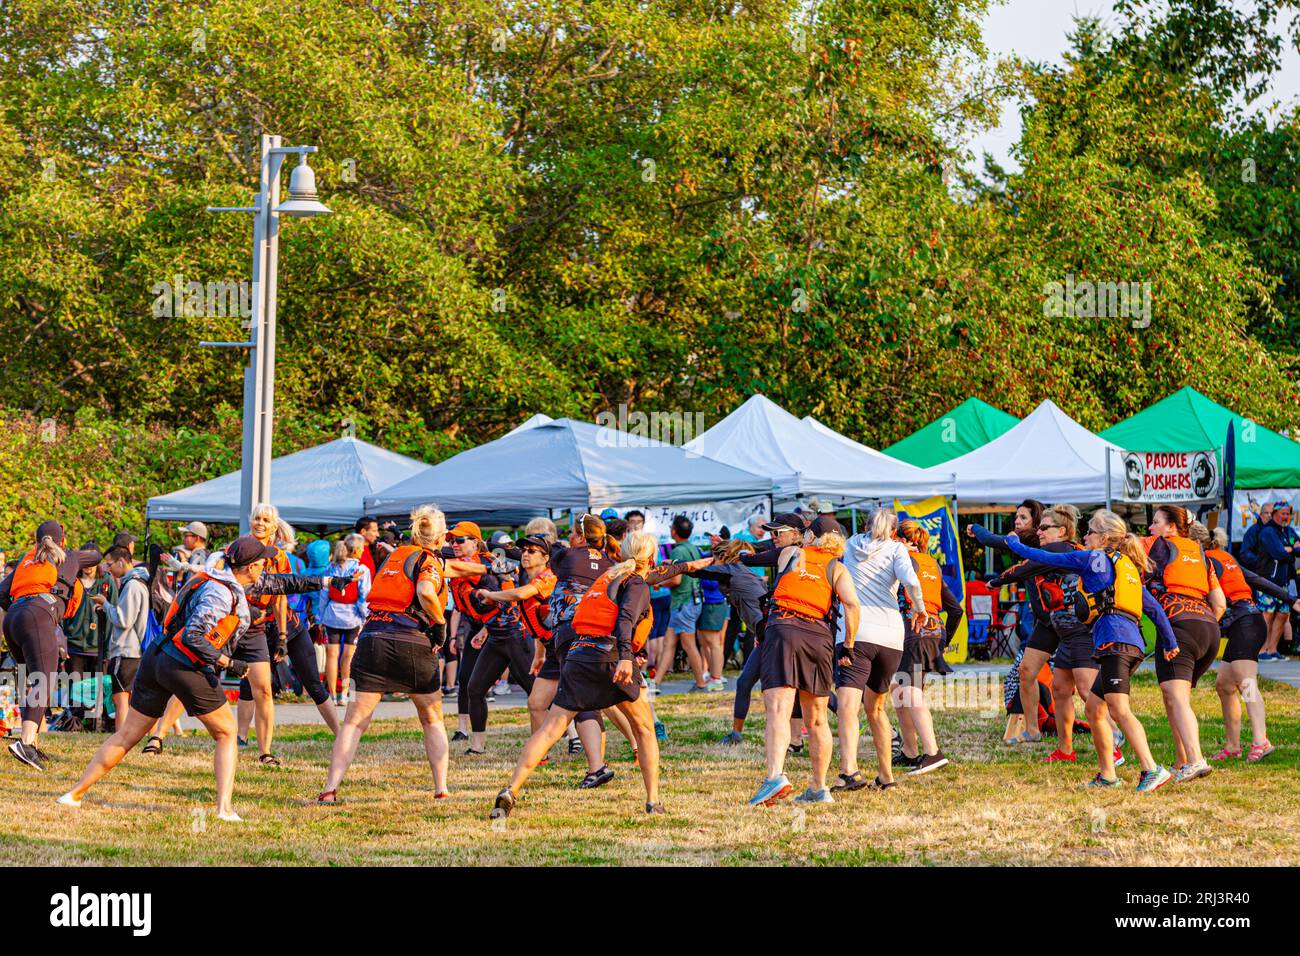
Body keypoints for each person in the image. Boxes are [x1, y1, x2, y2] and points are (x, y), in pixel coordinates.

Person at [57, 535, 276, 820]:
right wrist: (228, 662)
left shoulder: (212, 576)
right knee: (226, 733)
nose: (264, 567)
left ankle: (73, 794)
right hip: (184, 664)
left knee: (127, 735)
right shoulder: (222, 593)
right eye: (262, 563)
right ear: (250, 567)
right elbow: (194, 636)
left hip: (157, 655)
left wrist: (324, 583)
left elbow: (281, 584)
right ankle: (224, 809)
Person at [972, 511, 1177, 792]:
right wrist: (1170, 642)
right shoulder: (1125, 566)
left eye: (1090, 532)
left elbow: (1047, 559)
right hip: (1122, 642)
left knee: (1119, 709)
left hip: (1116, 642)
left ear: (1104, 537)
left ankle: (1152, 769)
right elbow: (1153, 608)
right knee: (1094, 708)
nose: (1085, 537)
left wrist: (1015, 545)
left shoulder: (1091, 558)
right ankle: (1107, 775)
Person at [316, 505, 494, 803]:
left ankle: (330, 789)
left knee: (354, 722)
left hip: (372, 638)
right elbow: (426, 589)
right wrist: (440, 625)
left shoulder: (397, 556)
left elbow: (453, 568)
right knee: (432, 718)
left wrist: (487, 567)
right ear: (440, 538)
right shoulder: (429, 561)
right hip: (411, 641)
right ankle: (441, 789)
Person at [491, 531, 665, 819]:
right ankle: (653, 801)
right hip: (610, 656)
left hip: (577, 654)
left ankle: (511, 789)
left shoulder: (605, 578)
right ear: (650, 557)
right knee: (645, 729)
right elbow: (624, 621)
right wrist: (626, 656)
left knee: (550, 728)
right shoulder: (634, 582)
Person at [977, 505, 1121, 765]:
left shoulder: (1062, 549)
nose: (1039, 532)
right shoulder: (1049, 548)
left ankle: (1114, 736)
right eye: (1038, 527)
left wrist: (996, 581)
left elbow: (1023, 568)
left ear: (1062, 531)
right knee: (1033, 675)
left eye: (1044, 528)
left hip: (1077, 627)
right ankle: (1038, 734)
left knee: (1087, 689)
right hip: (1051, 623)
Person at [747, 518, 860, 806]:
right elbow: (851, 604)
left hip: (784, 627)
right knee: (818, 717)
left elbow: (765, 555)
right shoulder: (838, 567)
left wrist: (742, 553)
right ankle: (819, 788)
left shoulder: (792, 553)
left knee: (778, 709)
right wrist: (848, 644)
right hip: (819, 636)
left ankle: (775, 777)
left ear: (810, 535)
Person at [831, 509, 928, 791]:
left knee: (848, 707)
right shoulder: (897, 549)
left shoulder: (849, 546)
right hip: (890, 636)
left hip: (856, 633)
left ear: (865, 525)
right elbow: (911, 581)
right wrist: (920, 610)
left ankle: (849, 771)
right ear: (895, 531)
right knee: (876, 708)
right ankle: (886, 776)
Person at [0, 521, 101, 769]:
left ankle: (31, 743)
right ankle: (25, 743)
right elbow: (96, 555)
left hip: (13, 617)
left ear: (36, 541)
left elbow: (1, 592)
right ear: (62, 541)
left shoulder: (27, 559)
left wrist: (20, 608)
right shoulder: (68, 557)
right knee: (43, 680)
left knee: (33, 679)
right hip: (39, 613)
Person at [1144, 505, 1225, 782]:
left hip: (1179, 625)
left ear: (1171, 528)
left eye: (1155, 523)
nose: (1151, 528)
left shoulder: (1159, 546)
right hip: (1208, 628)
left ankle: (1195, 759)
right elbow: (1220, 603)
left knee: (1176, 698)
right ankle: (1182, 761)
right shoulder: (1201, 555)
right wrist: (1202, 620)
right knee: (1175, 698)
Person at [1203, 524, 1298, 761]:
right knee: (1224, 684)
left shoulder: (1206, 561)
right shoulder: (1225, 558)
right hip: (1244, 622)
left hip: (1245, 622)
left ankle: (1261, 741)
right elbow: (1257, 580)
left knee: (1246, 682)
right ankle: (1233, 746)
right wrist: (1290, 598)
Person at [893, 520, 962, 774]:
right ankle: (910, 751)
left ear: (900, 540)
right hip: (934, 629)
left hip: (915, 629)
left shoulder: (901, 561)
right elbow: (956, 609)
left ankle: (933, 753)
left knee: (910, 692)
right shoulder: (931, 565)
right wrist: (944, 641)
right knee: (899, 690)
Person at [92, 547, 150, 730]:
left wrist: (105, 603)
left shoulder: (132, 585)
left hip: (126, 650)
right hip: (135, 650)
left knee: (120, 698)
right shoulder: (138, 582)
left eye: (110, 564)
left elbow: (123, 619)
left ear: (121, 561)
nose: (108, 569)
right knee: (130, 698)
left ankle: (120, 737)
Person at [656, 515, 711, 691]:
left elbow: (676, 580)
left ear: (674, 531)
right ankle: (656, 682)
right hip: (691, 601)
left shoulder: (677, 551)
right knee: (668, 643)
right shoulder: (693, 548)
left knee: (688, 645)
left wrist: (658, 583)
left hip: (683, 603)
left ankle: (701, 683)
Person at [320, 533, 371, 706]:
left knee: (331, 656)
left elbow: (324, 594)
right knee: (348, 657)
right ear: (356, 550)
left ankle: (332, 695)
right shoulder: (362, 569)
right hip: (352, 617)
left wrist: (321, 616)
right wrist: (365, 616)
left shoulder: (331, 567)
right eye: (362, 548)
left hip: (332, 614)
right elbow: (363, 596)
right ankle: (345, 694)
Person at [1255, 502, 1298, 660]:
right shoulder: (1268, 532)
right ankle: (1261, 651)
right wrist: (1290, 549)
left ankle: (1272, 650)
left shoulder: (1289, 531)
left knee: (1283, 614)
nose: (1286, 517)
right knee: (1267, 614)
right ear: (1274, 514)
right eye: (1283, 513)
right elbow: (1278, 553)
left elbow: (1298, 548)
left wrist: (1291, 549)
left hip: (1284, 582)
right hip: (1268, 581)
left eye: (1288, 514)